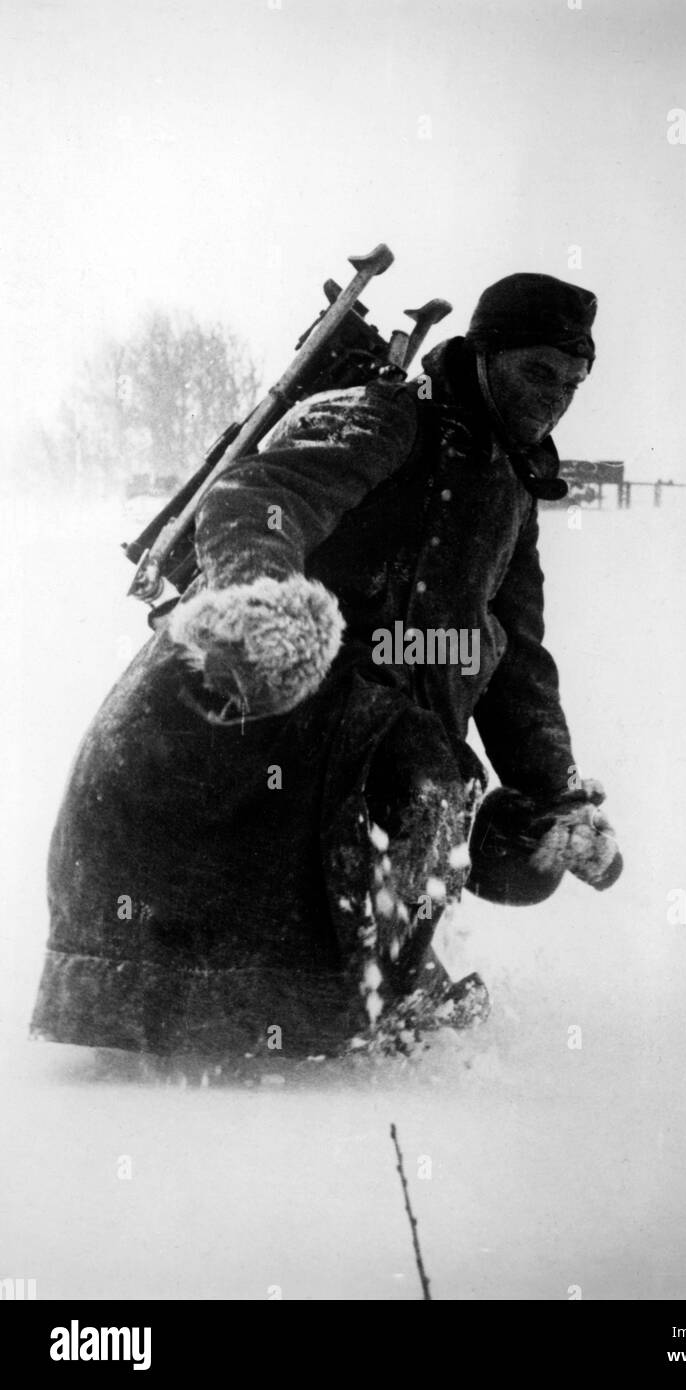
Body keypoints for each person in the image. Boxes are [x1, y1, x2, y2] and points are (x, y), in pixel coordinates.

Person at [31, 272, 622, 1060]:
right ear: (483, 356)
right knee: (430, 778)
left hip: (354, 747)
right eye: (537, 373)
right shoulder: (384, 419)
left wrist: (556, 791)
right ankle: (368, 1007)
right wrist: (265, 608)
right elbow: (252, 496)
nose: (554, 398)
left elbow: (517, 664)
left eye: (572, 383)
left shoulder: (511, 489)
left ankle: (367, 995)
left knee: (471, 815)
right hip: (245, 714)